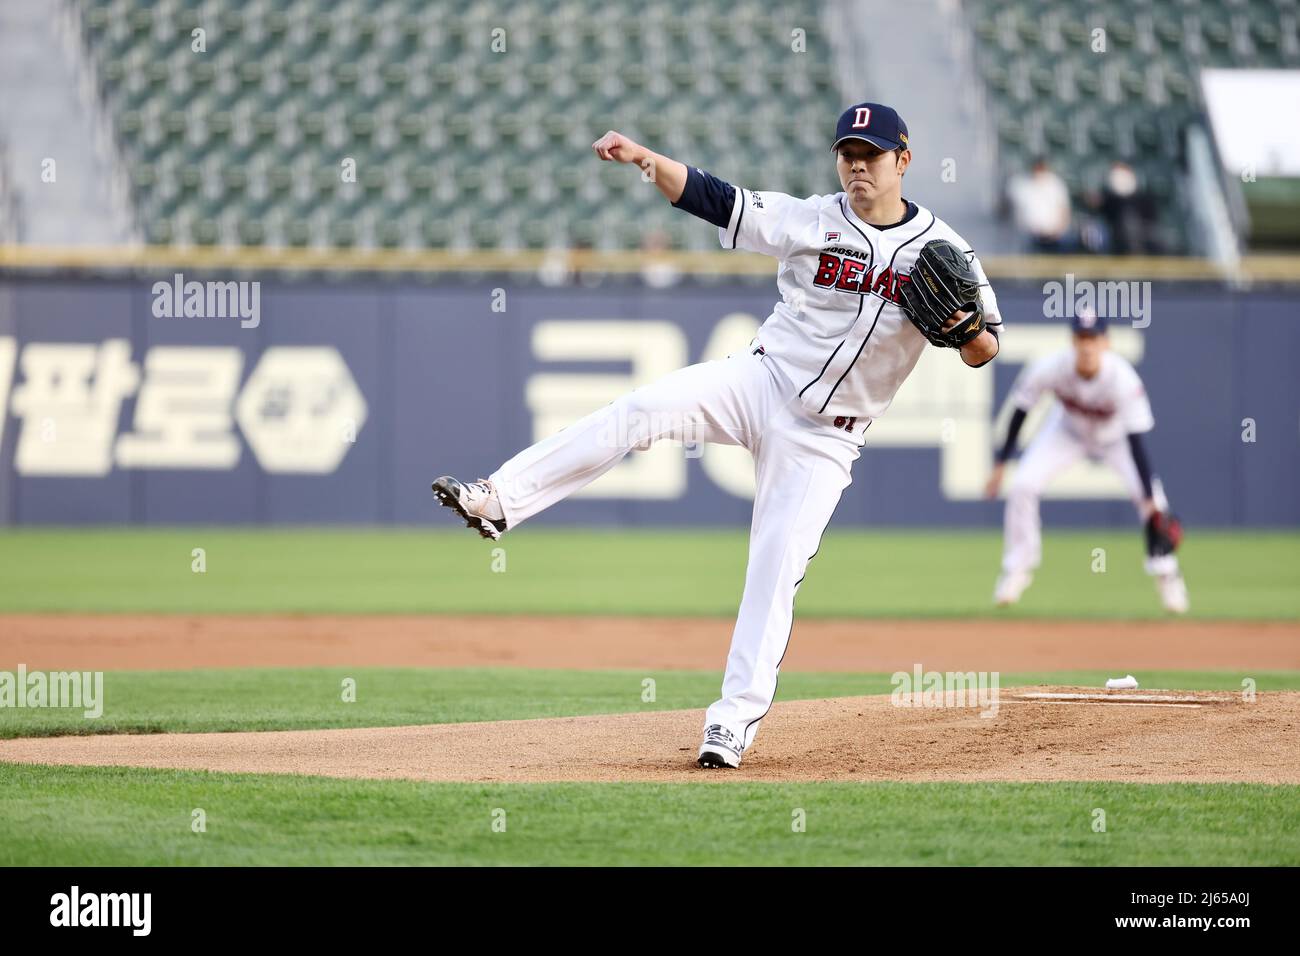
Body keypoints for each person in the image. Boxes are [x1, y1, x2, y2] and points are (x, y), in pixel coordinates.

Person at [433, 102, 1003, 768]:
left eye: (871, 155)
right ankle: (498, 499)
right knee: (641, 411)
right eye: (847, 153)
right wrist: (646, 157)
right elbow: (716, 199)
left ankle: (729, 725)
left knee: (774, 567)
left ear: (902, 161)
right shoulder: (810, 219)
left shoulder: (945, 250)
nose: (856, 165)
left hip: (827, 439)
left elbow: (986, 350)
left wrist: (965, 330)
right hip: (760, 384)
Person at [984, 310, 1189, 613]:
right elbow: (1021, 411)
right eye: (1081, 338)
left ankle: (1167, 574)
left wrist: (1148, 499)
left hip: (1116, 439)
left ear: (1106, 343)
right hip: (1066, 432)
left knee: (1153, 501)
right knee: (1023, 486)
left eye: (1093, 338)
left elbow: (1137, 445)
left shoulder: (1122, 379)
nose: (1087, 345)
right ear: (1072, 340)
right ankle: (1018, 568)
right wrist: (1001, 463)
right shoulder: (1051, 367)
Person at [1006, 157, 1073, 253]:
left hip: (1052, 238)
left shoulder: (1055, 184)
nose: (1039, 171)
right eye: (1037, 168)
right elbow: (1007, 206)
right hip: (1027, 237)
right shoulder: (1021, 184)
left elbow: (1064, 211)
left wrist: (1059, 231)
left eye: (1041, 168)